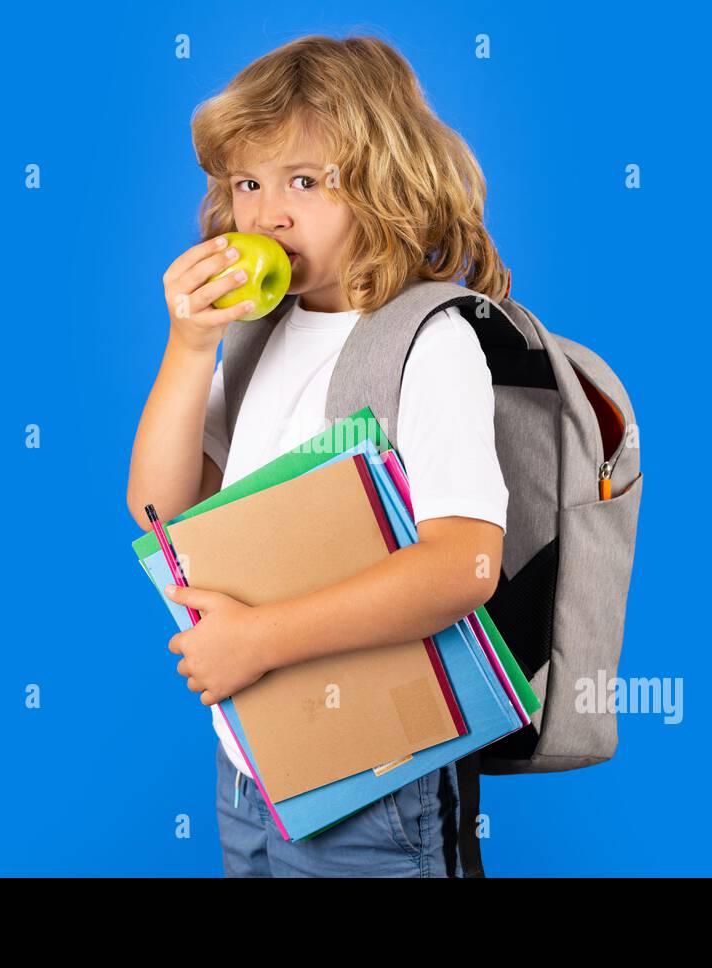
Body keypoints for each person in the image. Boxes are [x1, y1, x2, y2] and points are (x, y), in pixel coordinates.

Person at [127, 34, 509, 877]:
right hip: (253, 765)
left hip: (379, 780)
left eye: (304, 181)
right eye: (247, 184)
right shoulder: (258, 335)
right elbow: (163, 513)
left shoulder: (431, 340)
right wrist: (190, 348)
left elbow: (463, 567)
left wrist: (259, 639)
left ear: (384, 181)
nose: (268, 214)